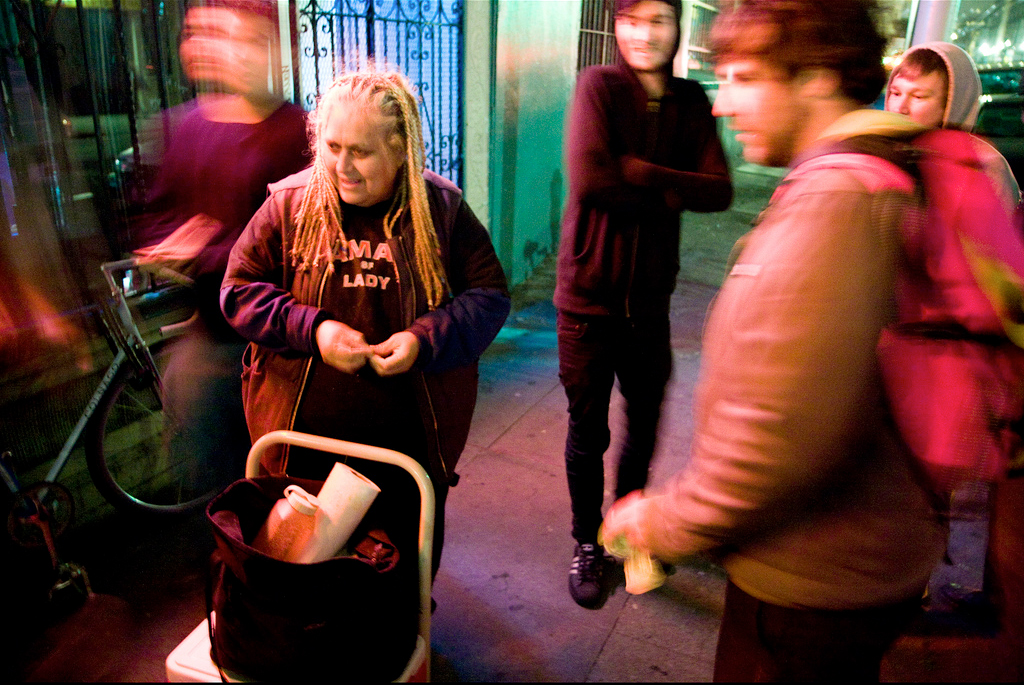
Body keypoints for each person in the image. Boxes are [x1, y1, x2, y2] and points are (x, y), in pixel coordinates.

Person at [601, 1, 949, 680]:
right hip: (850, 567)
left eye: (742, 77)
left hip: (812, 588)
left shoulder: (838, 204)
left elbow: (776, 440)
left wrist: (660, 522)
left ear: (816, 76)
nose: (724, 104)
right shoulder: (870, 172)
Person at [220, 69, 510, 575]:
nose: (341, 167)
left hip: (409, 447)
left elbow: (488, 296)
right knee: (306, 571)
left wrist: (424, 340)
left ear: (402, 150)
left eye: (362, 151)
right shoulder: (288, 205)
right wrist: (313, 330)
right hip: (304, 447)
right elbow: (237, 291)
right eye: (331, 147)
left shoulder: (440, 210)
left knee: (403, 579)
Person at [554, 0, 732, 609]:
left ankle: (628, 534)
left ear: (677, 25)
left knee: (645, 426)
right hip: (587, 300)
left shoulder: (690, 100)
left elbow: (720, 189)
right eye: (631, 20)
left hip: (650, 303)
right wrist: (670, 188)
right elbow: (591, 180)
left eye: (658, 20)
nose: (644, 34)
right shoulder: (598, 87)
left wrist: (638, 170)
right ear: (618, 26)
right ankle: (586, 542)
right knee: (588, 430)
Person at [132, 0, 309, 490]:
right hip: (208, 340)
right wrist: (167, 243)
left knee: (283, 480)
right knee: (211, 483)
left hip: (280, 344)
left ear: (278, 48)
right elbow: (155, 215)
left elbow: (301, 240)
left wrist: (203, 248)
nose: (232, 52)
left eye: (251, 40)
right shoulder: (184, 127)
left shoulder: (298, 131)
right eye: (213, 36)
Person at [885, 41, 1020, 209]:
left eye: (918, 96)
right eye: (895, 93)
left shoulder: (983, 167)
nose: (900, 108)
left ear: (952, 103)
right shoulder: (883, 152)